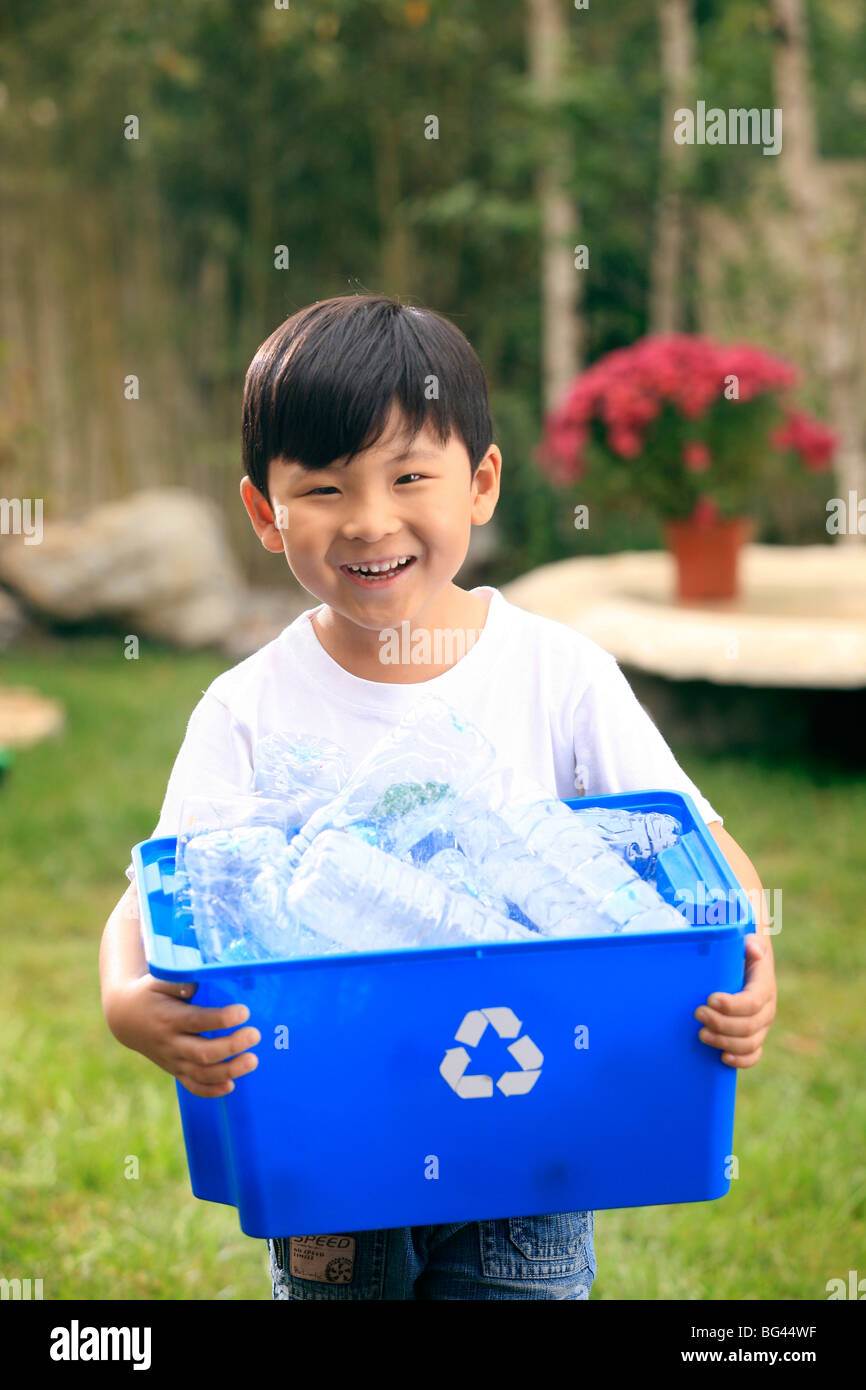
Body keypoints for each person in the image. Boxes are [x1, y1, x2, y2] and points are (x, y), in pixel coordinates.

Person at [99, 293, 778, 1300]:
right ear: (262, 511)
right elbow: (158, 889)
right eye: (323, 489)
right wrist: (125, 1001)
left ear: (480, 483)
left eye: (409, 476)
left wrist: (747, 961)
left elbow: (697, 844)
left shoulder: (557, 671)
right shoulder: (247, 707)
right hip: (334, 1145)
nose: (370, 521)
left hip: (531, 1149)